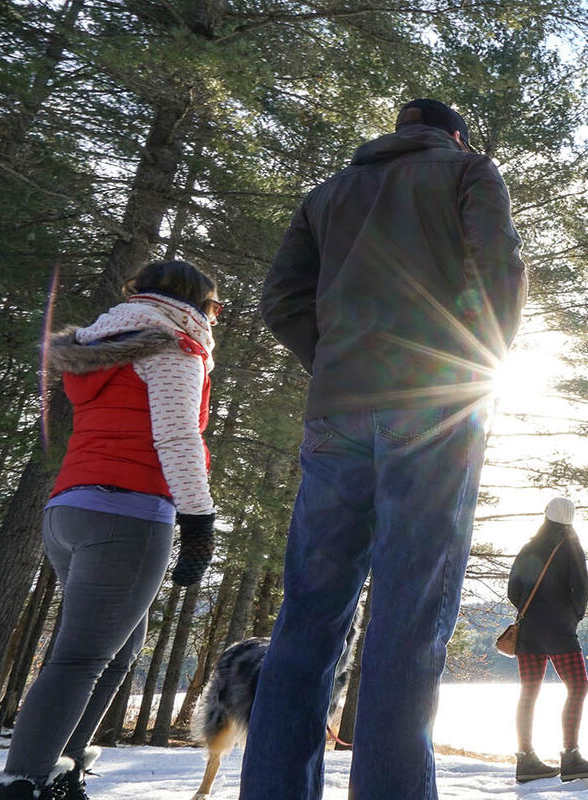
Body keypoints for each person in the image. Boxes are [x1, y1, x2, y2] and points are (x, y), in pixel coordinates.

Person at [240, 98, 526, 800]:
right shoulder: (469, 170)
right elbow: (499, 267)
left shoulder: (327, 194)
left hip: (336, 414)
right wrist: (480, 363)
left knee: (306, 617)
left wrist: (335, 366)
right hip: (433, 403)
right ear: (453, 134)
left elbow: (280, 301)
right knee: (409, 615)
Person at [0, 260, 221, 800]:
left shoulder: (103, 346)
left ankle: (60, 772)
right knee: (81, 657)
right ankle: (22, 784)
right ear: (196, 304)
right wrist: (199, 521)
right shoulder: (172, 348)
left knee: (117, 651)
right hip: (128, 513)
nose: (215, 320)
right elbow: (178, 438)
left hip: (69, 509)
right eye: (215, 309)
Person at [508, 497, 588, 783]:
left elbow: (513, 591)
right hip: (560, 631)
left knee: (529, 692)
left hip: (530, 631)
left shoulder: (528, 548)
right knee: (578, 687)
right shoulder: (571, 546)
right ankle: (571, 757)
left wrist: (530, 612)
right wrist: (573, 617)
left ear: (546, 515)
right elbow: (582, 588)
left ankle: (526, 759)